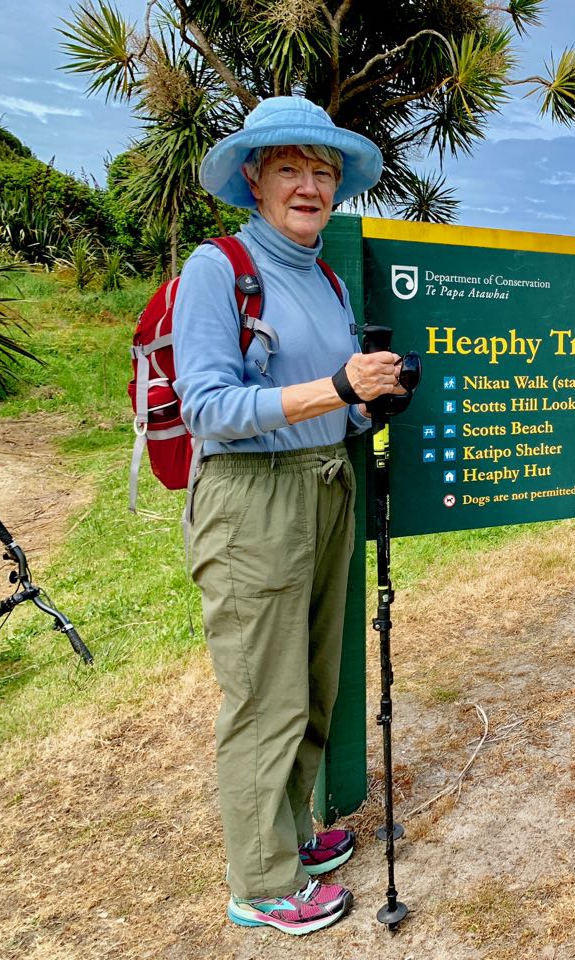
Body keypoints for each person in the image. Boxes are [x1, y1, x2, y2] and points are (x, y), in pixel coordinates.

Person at [177, 95, 405, 935]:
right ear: (254, 178)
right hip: (252, 499)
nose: (308, 186)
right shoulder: (219, 267)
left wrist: (366, 401)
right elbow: (207, 406)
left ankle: (293, 835)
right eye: (289, 168)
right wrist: (337, 388)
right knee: (261, 696)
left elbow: (329, 399)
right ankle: (262, 884)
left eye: (322, 171)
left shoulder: (325, 274)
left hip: (325, 485)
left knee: (310, 684)